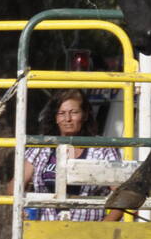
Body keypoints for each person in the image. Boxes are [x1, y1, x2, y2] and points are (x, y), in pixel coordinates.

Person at [23, 90, 123, 222]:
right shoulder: (41, 148)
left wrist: (102, 229)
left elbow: (121, 195)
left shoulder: (102, 149)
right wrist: (23, 212)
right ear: (55, 117)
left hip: (88, 234)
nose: (67, 119)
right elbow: (15, 186)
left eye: (74, 112)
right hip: (45, 231)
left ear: (85, 115)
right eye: (61, 113)